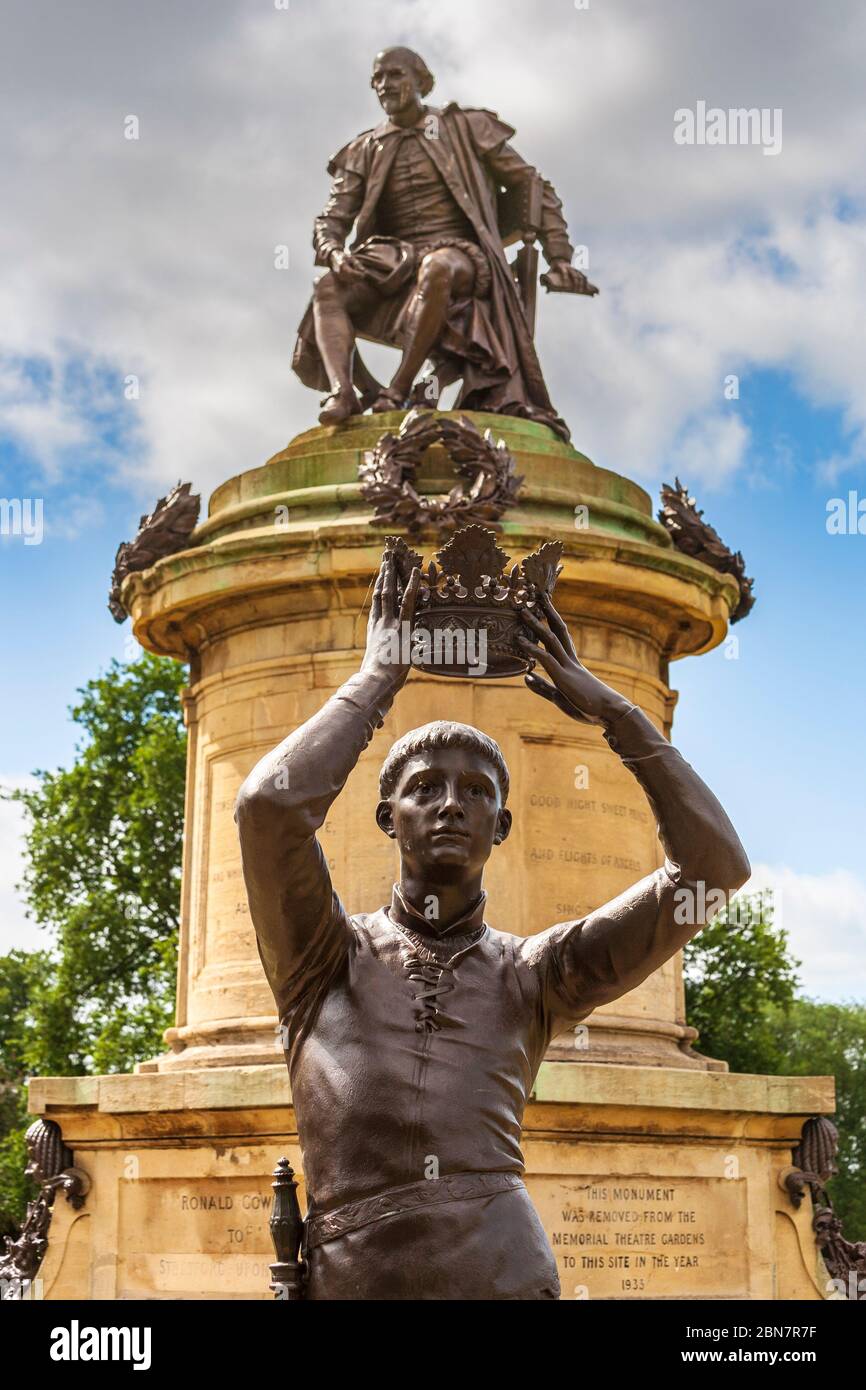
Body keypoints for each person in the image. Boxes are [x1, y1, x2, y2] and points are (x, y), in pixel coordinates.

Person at [235, 552, 750, 1299]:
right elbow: (268, 809)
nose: (451, 804)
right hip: (354, 1282)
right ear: (389, 819)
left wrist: (616, 714)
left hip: (503, 1277)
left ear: (501, 826)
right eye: (425, 788)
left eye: (476, 792)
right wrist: (378, 678)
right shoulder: (321, 956)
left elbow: (713, 872)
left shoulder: (538, 972)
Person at [293, 46, 596, 437]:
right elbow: (332, 219)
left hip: (461, 255)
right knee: (326, 285)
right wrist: (333, 251)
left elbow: (533, 186)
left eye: (396, 75)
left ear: (422, 81)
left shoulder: (464, 126)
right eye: (378, 79)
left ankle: (398, 390)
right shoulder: (363, 149)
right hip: (393, 258)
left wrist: (560, 258)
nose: (385, 85)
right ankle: (345, 392)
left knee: (436, 266)